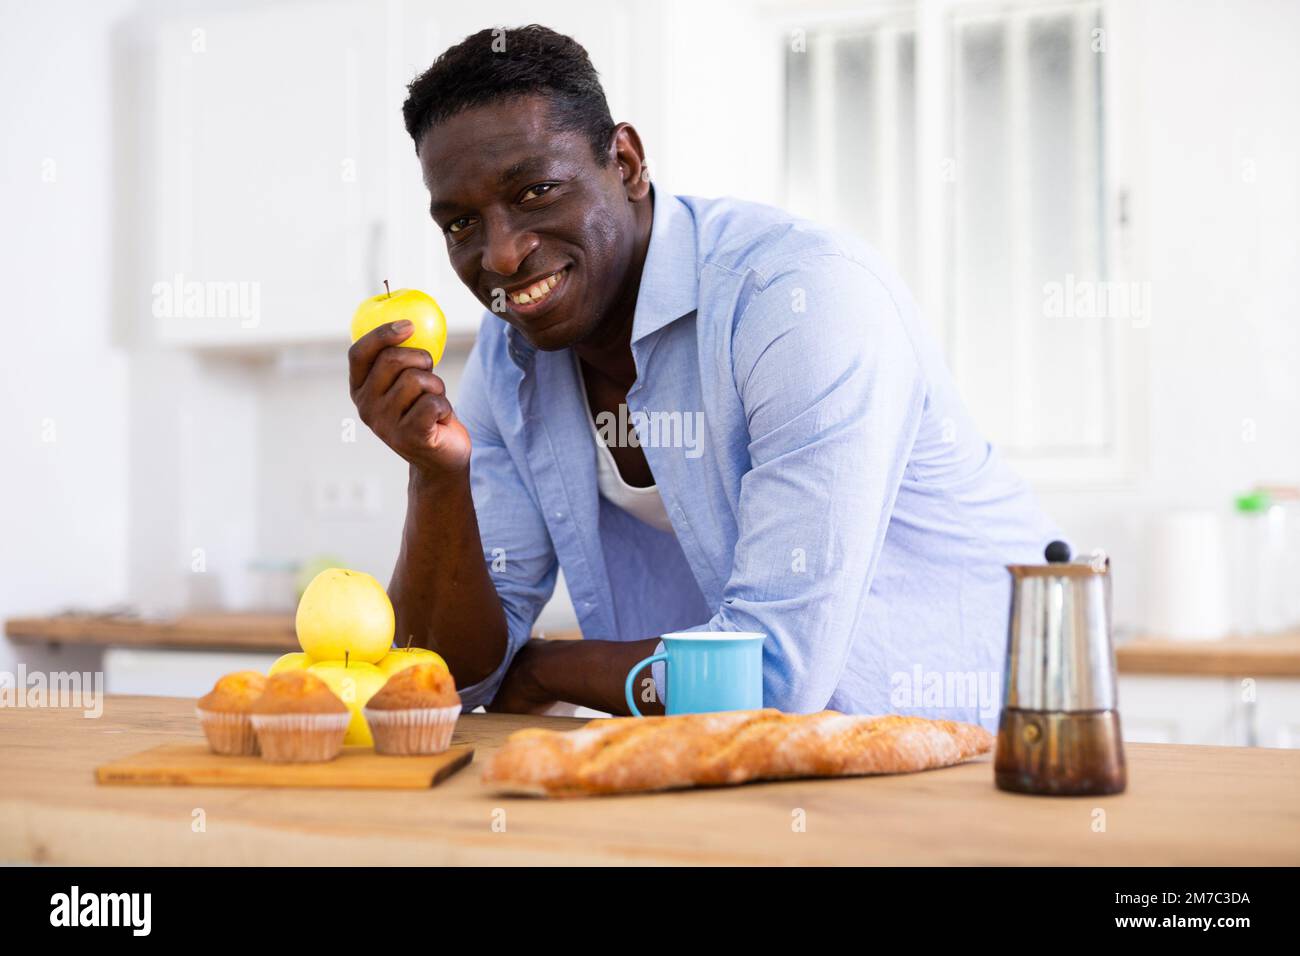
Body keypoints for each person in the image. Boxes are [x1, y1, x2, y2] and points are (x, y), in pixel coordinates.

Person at [346, 24, 1057, 727]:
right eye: (461, 224)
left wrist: (544, 668)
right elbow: (449, 678)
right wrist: (436, 473)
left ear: (625, 163)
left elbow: (774, 674)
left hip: (981, 743)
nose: (500, 255)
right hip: (749, 759)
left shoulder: (800, 298)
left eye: (535, 191)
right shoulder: (511, 358)